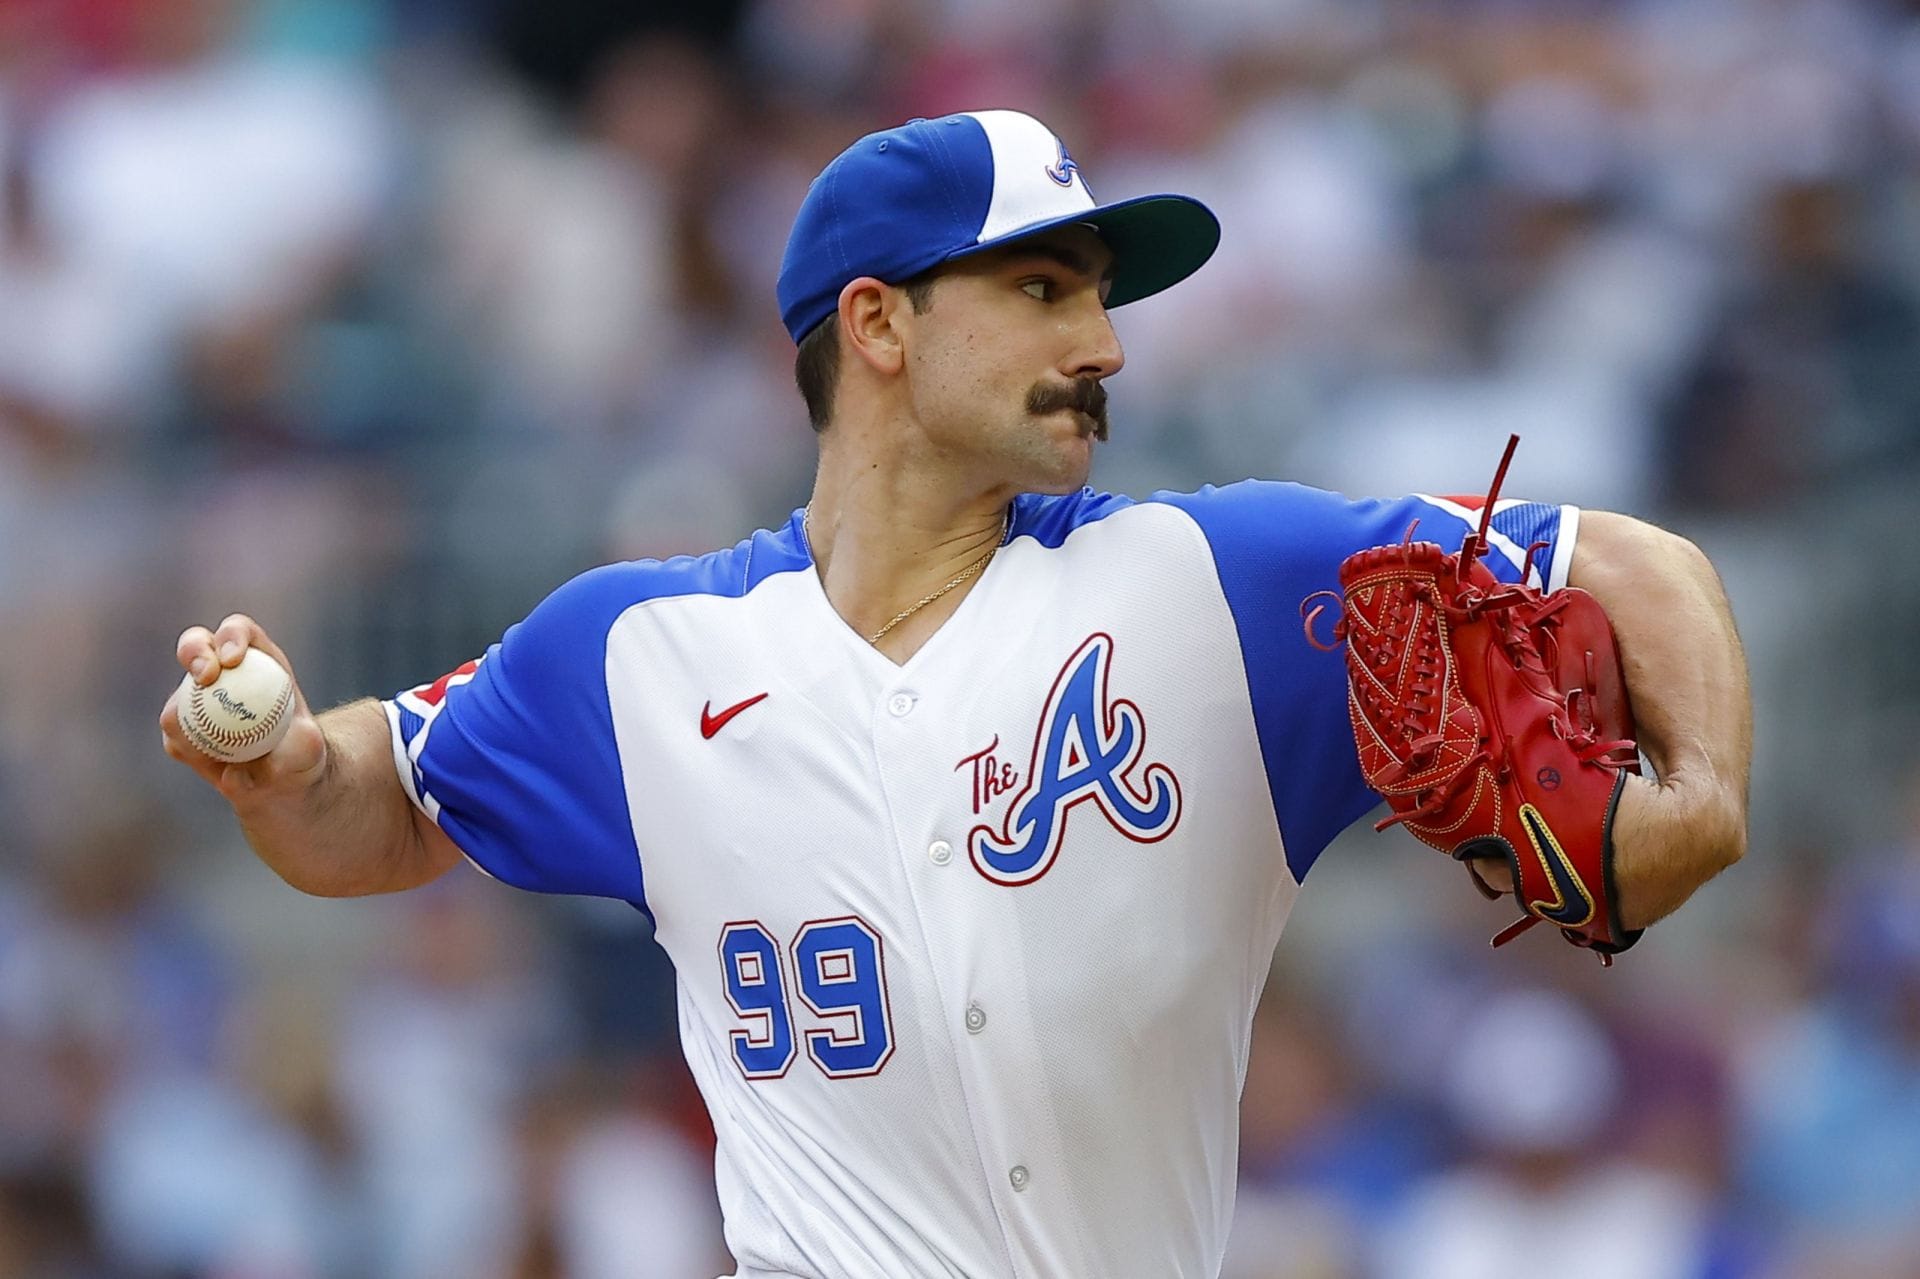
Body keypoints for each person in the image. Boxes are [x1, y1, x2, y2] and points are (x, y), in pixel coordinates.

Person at [161, 109, 1752, 1278]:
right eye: (1048, 291)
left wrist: (1702, 800)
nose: (1109, 345)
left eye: (1100, 297)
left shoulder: (1220, 582)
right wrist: (287, 759)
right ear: (880, 327)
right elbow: (376, 806)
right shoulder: (640, 653)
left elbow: (1630, 562)